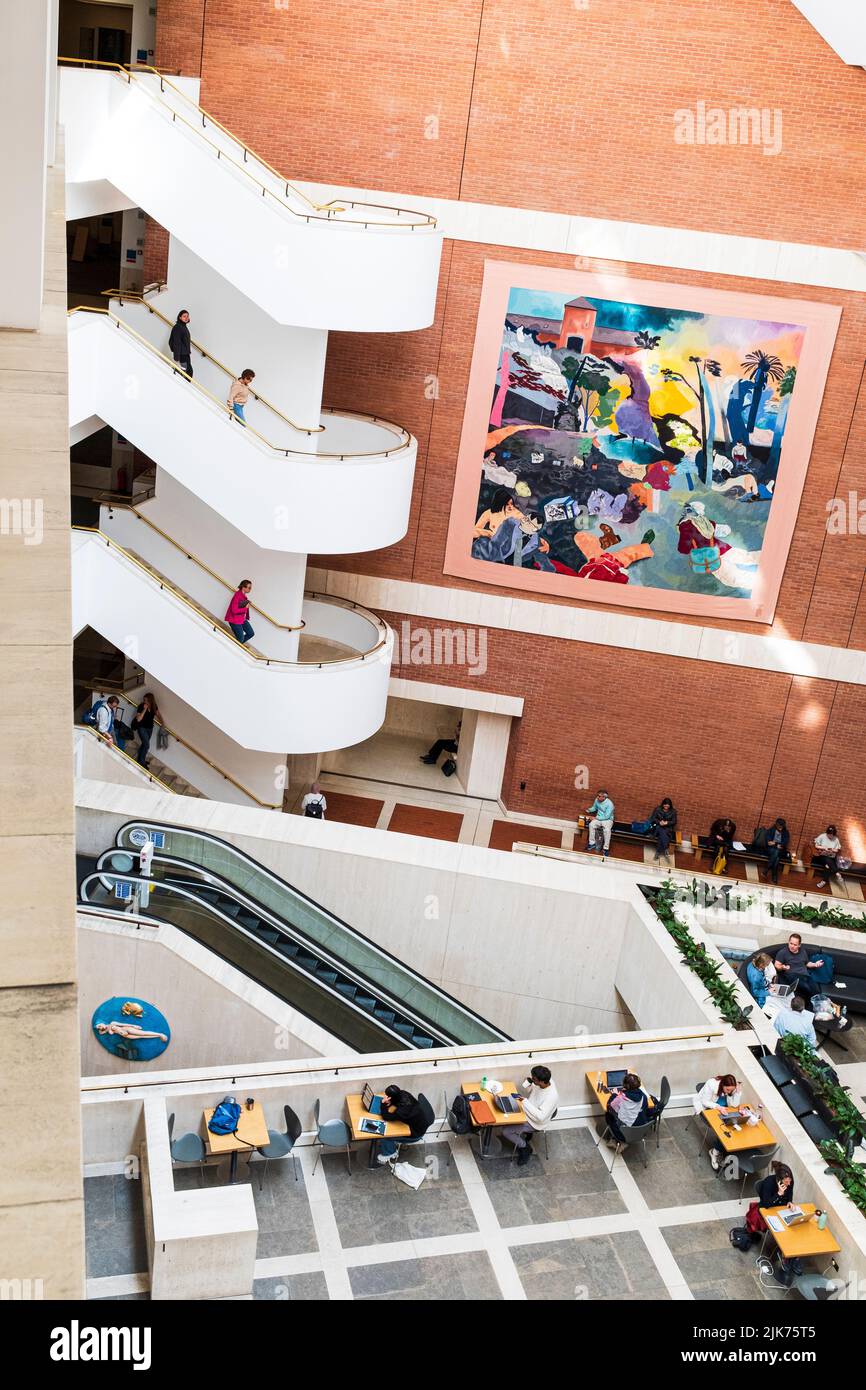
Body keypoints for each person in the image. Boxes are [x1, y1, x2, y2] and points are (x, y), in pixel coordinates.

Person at [498, 1065, 559, 1167]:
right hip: (527, 1111)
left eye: (534, 1079)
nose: (532, 1080)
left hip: (535, 1122)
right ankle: (525, 1134)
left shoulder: (551, 1096)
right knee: (505, 1111)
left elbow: (540, 1117)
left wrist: (524, 1101)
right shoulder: (546, 1081)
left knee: (506, 1131)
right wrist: (527, 1083)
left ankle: (525, 1147)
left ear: (542, 1081)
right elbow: (532, 1091)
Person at [693, 1073, 750, 1171]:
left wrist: (737, 1092)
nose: (729, 1092)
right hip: (708, 1108)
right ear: (722, 1084)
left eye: (731, 1090)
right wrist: (718, 1107)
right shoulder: (711, 1084)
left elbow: (734, 1105)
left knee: (733, 1125)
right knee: (724, 1128)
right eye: (727, 1090)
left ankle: (719, 1149)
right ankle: (715, 1152)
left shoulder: (730, 1090)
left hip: (724, 1109)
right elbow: (704, 1102)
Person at [755, 1163, 802, 1282]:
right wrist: (779, 1194)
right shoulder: (769, 1183)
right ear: (779, 1180)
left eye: (790, 1181)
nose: (789, 1184)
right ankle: (786, 1257)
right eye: (786, 1182)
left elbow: (789, 1194)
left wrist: (790, 1202)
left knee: (795, 1227)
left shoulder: (789, 1182)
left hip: (782, 1211)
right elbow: (766, 1204)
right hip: (768, 1212)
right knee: (784, 1231)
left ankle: (793, 1256)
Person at [376, 1085, 434, 1165]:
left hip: (415, 1133)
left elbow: (386, 1117)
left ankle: (390, 1153)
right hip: (419, 1123)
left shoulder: (402, 1111)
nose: (385, 1097)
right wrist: (391, 1102)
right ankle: (390, 1147)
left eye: (387, 1096)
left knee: (385, 1135)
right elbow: (397, 1101)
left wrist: (383, 1104)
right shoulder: (404, 1093)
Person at [597, 1072, 656, 1147]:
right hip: (640, 1131)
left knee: (608, 1115)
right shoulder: (643, 1096)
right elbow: (645, 1109)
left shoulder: (621, 1098)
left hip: (624, 1134)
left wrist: (614, 1094)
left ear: (625, 1085)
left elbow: (609, 1107)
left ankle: (618, 1140)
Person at [774, 933, 819, 998]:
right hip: (793, 975)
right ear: (788, 942)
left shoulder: (803, 951)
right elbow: (777, 965)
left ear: (799, 945)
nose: (792, 946)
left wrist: (815, 964)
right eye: (791, 943)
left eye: (795, 945)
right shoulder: (783, 952)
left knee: (816, 989)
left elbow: (807, 963)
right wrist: (783, 967)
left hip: (805, 975)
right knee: (808, 988)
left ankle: (819, 1005)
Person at [132, 692, 160, 768]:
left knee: (144, 744)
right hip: (141, 728)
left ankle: (141, 759)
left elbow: (158, 715)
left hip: (150, 728)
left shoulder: (154, 706)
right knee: (147, 745)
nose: (145, 702)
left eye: (146, 700)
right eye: (144, 700)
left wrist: (163, 724)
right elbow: (138, 719)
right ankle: (142, 762)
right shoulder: (141, 706)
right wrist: (144, 709)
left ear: (151, 700)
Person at [586, 788, 615, 858]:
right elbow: (594, 808)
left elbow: (607, 816)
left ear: (604, 797)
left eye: (599, 796)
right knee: (591, 825)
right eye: (597, 796)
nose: (597, 797)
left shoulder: (610, 804)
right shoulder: (597, 800)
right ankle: (592, 843)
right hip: (599, 818)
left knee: (607, 831)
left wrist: (595, 818)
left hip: (608, 820)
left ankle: (606, 849)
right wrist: (589, 810)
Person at [814, 824, 844, 888]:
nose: (830, 836)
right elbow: (816, 846)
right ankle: (837, 873)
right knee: (827, 860)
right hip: (822, 856)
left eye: (832, 835)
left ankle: (823, 882)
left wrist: (832, 850)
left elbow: (837, 850)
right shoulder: (822, 836)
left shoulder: (836, 839)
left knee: (827, 866)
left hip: (831, 857)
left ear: (834, 834)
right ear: (827, 833)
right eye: (829, 834)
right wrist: (824, 848)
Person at [225, 580, 255, 644]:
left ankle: (237, 644)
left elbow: (241, 606)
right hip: (234, 619)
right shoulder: (237, 595)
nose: (250, 589)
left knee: (250, 633)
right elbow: (234, 610)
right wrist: (245, 608)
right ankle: (236, 645)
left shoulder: (244, 596)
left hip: (241, 619)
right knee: (240, 639)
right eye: (249, 588)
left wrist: (247, 603)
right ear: (243, 587)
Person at [764, 817, 790, 884]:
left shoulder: (786, 833)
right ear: (776, 825)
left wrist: (775, 843)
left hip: (781, 850)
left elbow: (784, 843)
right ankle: (774, 877)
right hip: (770, 849)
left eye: (782, 826)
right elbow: (769, 843)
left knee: (777, 854)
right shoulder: (770, 830)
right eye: (779, 826)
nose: (780, 828)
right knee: (776, 854)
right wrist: (777, 845)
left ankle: (767, 869)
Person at [169, 309, 192, 379]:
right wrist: (176, 357)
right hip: (182, 355)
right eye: (184, 316)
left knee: (186, 372)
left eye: (187, 316)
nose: (186, 318)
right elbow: (176, 342)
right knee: (186, 373)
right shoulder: (178, 327)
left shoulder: (183, 326)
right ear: (180, 317)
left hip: (185, 354)